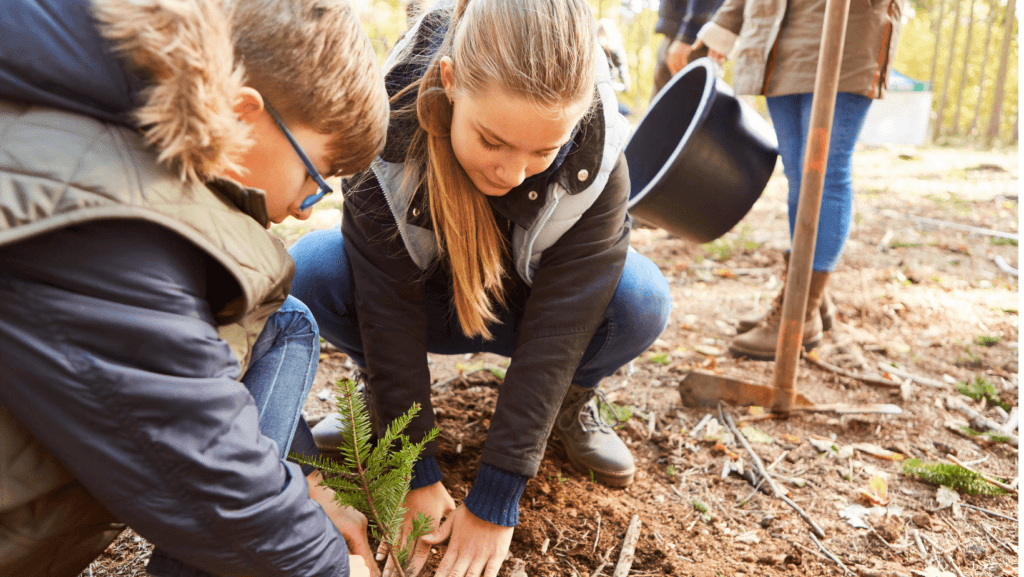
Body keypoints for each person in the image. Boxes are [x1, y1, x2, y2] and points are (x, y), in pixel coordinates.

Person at [0, 1, 389, 576]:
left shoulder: (89, 114)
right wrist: (335, 568)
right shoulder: (99, 221)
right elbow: (205, 471)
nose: (306, 206)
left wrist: (305, 483)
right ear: (241, 112)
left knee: (285, 322)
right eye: (313, 175)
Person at [288, 0, 672, 575]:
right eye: (492, 141)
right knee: (313, 266)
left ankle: (571, 404)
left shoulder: (597, 156)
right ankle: (381, 404)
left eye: (543, 151)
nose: (512, 173)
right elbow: (386, 311)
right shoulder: (382, 135)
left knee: (639, 299)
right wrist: (412, 472)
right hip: (423, 305)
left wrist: (497, 495)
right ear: (449, 84)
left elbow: (563, 327)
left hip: (529, 311)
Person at [693, 0, 906, 358]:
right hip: (776, 27)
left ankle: (800, 312)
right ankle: (810, 299)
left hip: (846, 25)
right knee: (798, 173)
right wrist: (726, 25)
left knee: (824, 171)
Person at [652, 0, 726, 96]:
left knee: (686, 104)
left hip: (693, 41)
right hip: (675, 33)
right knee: (659, 105)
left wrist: (690, 34)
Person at [595, 18, 633, 116]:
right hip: (595, 91)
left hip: (610, 89)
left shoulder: (617, 50)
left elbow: (623, 69)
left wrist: (624, 84)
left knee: (623, 111)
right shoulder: (596, 49)